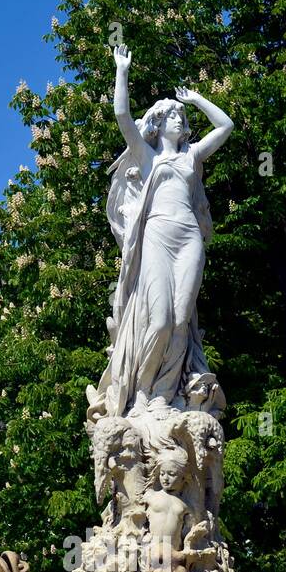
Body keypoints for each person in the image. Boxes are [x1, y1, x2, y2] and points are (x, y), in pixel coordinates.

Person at [86, 44, 234, 423]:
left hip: (188, 239)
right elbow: (122, 115)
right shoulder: (148, 157)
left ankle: (165, 395)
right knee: (161, 320)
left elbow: (226, 126)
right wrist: (122, 70)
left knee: (182, 318)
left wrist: (198, 98)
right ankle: (142, 389)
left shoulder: (191, 156)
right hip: (156, 237)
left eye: (182, 117)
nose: (180, 120)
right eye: (174, 114)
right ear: (160, 123)